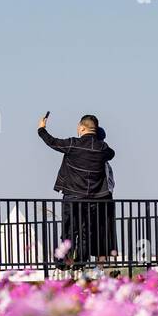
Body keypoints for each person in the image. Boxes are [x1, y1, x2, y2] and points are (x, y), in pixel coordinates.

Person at [37, 113, 116, 273]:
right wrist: (99, 137)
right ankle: (80, 262)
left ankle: (63, 262)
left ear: (81, 127)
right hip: (93, 199)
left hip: (72, 196)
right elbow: (111, 154)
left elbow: (52, 142)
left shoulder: (73, 144)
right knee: (87, 231)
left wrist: (41, 129)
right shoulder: (103, 148)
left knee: (69, 230)